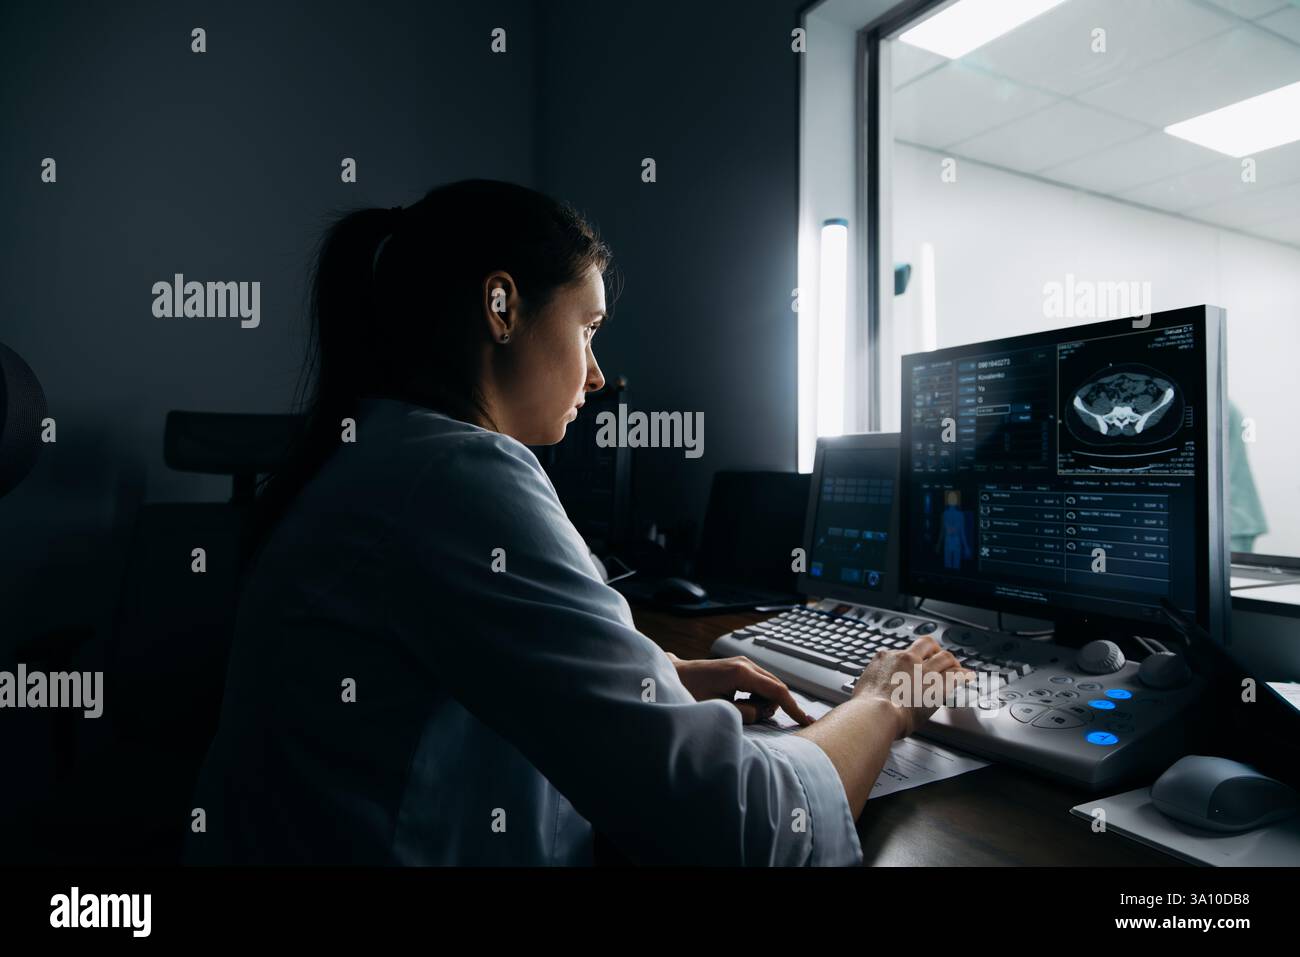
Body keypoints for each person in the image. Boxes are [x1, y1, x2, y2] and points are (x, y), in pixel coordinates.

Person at [184, 179, 970, 866]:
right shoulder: (458, 477)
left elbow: (451, 679)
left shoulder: (372, 451)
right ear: (501, 307)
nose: (597, 374)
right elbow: (748, 829)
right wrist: (886, 699)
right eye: (588, 328)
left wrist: (652, 678)